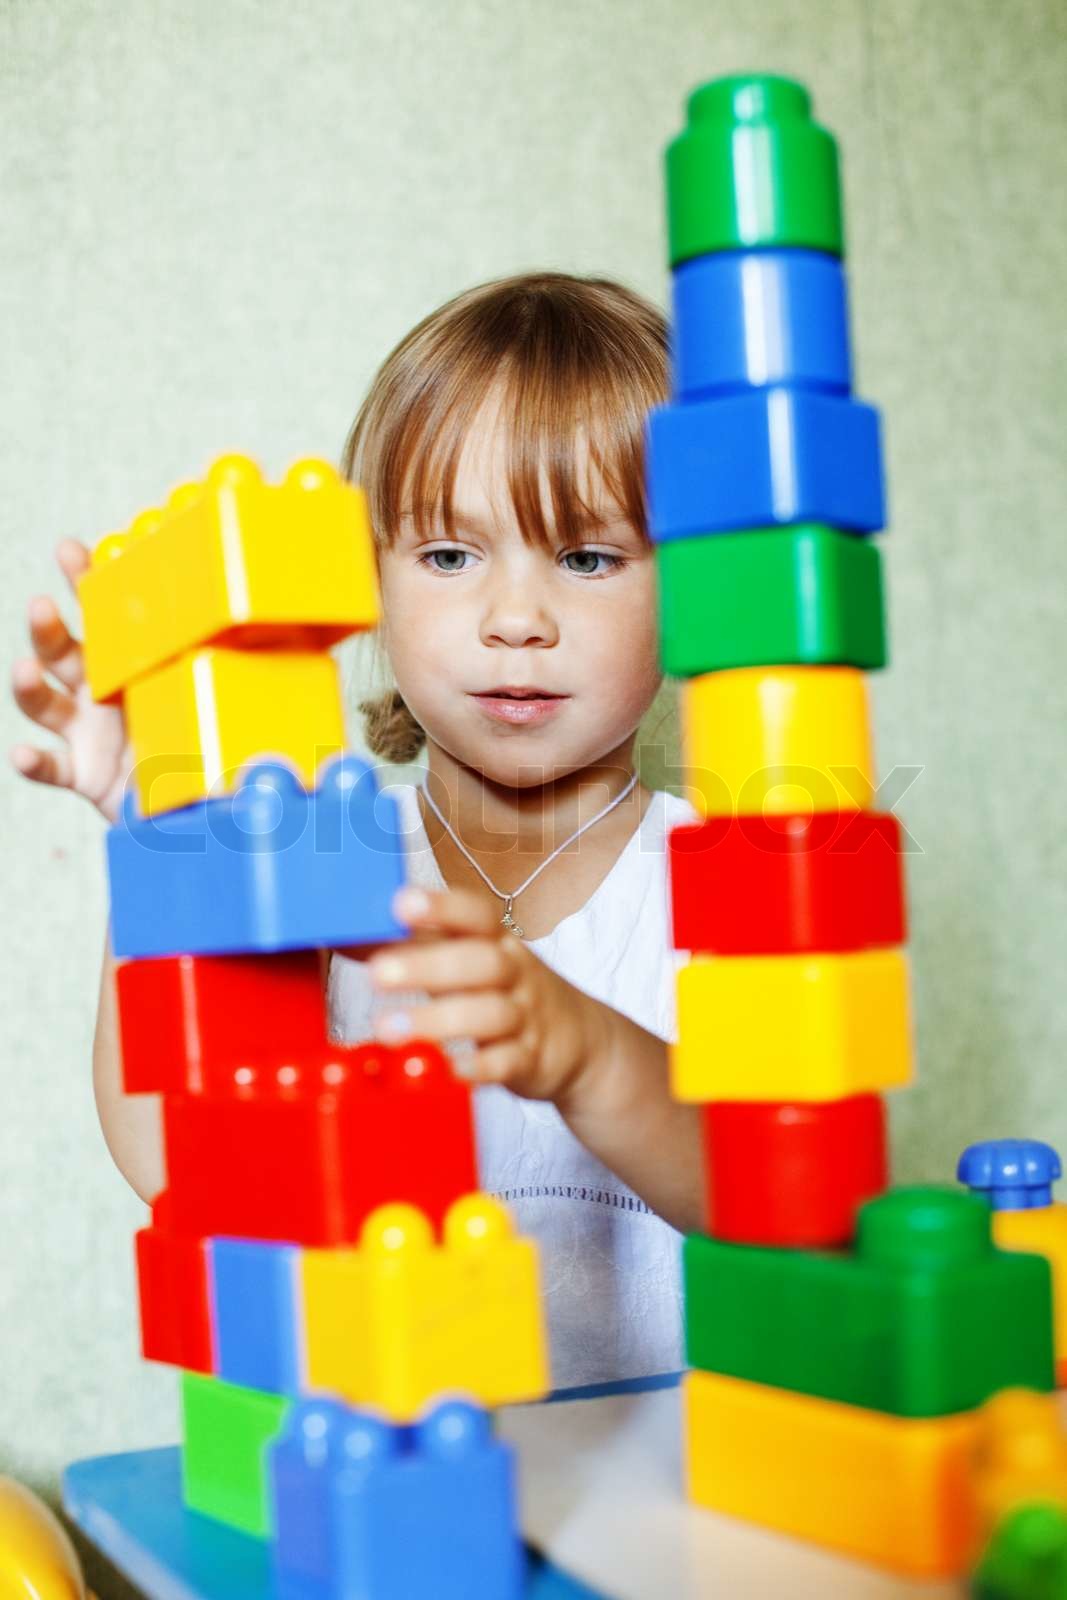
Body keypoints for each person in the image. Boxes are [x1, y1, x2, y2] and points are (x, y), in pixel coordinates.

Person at [9, 271, 704, 1389]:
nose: (514, 619)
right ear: (366, 578)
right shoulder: (312, 862)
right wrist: (169, 838)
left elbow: (774, 1198)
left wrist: (580, 1049)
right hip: (396, 1489)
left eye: (585, 557)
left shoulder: (711, 879)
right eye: (447, 555)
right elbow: (172, 1161)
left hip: (668, 1500)